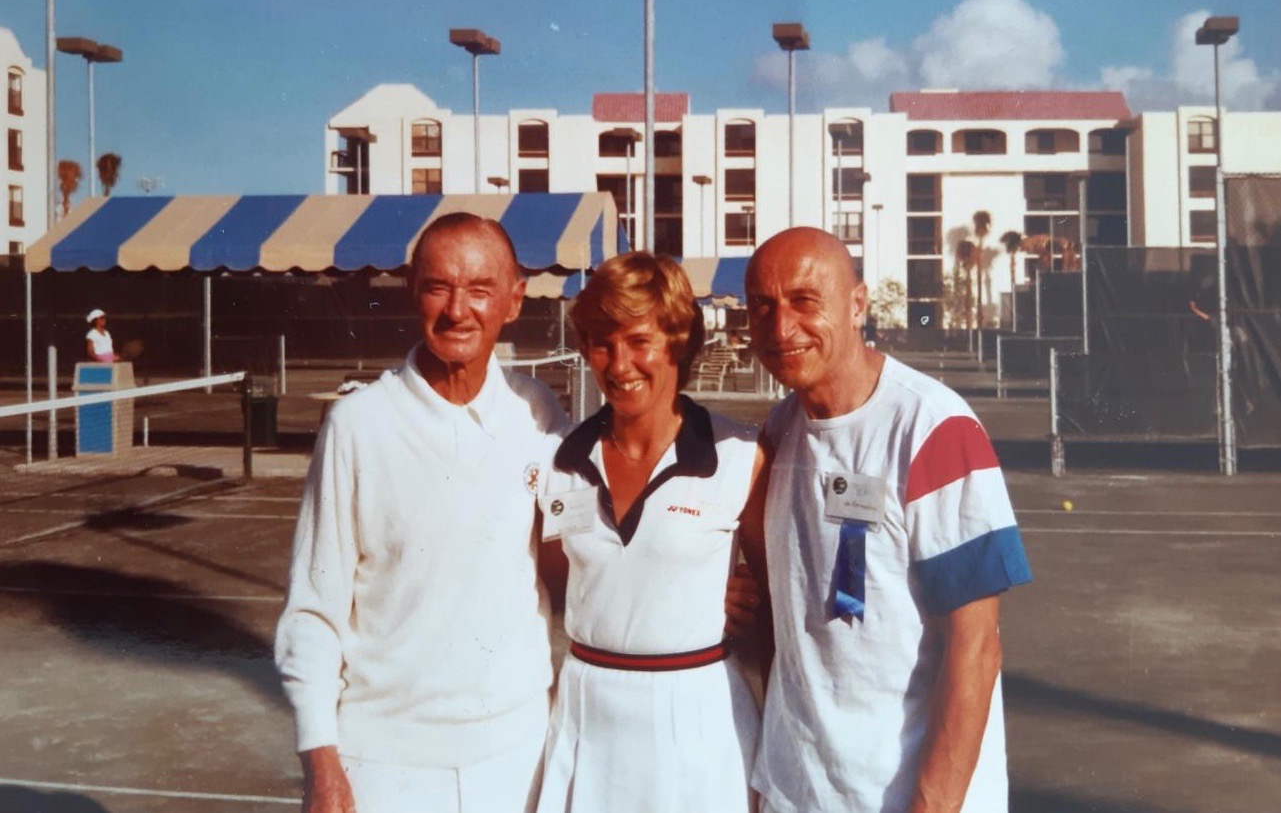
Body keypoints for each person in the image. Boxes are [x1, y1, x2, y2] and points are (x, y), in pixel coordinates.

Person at [275, 213, 567, 813]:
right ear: (413, 290)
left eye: (481, 290)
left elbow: (596, 543)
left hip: (518, 755)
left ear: (514, 301)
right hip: (384, 764)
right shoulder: (356, 425)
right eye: (439, 286)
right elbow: (313, 608)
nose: (458, 310)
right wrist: (321, 761)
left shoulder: (537, 413)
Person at [743, 227, 1032, 813]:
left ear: (857, 304)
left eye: (805, 301)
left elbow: (977, 648)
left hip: (905, 798)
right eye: (763, 307)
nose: (781, 328)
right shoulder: (776, 435)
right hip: (799, 793)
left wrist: (931, 804)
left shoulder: (933, 429)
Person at [535, 252, 769, 813]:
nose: (619, 364)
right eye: (600, 342)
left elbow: (775, 614)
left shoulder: (740, 456)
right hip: (588, 714)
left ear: (679, 341)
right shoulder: (556, 459)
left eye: (639, 341)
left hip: (699, 719)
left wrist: (751, 608)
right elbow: (555, 587)